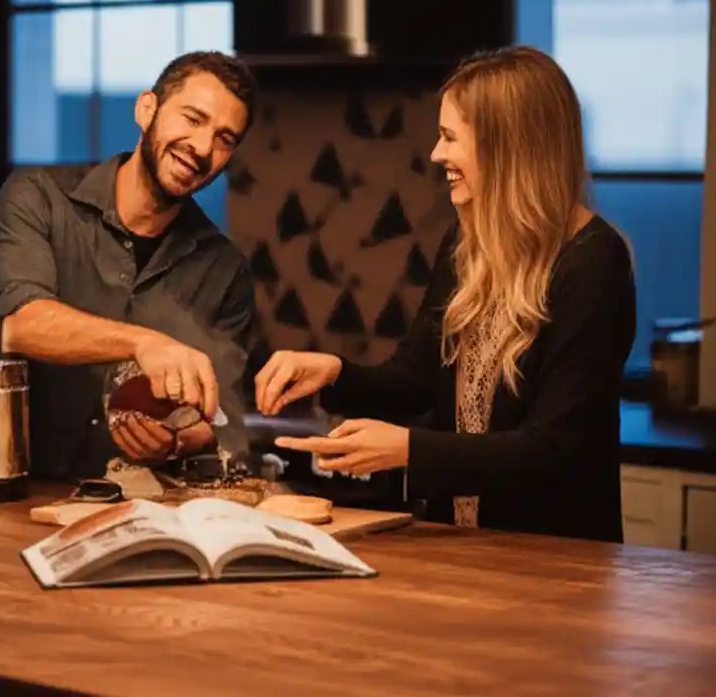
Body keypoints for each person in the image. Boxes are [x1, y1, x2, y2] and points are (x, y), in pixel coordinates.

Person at [258, 46, 636, 543]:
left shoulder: (593, 261)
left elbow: (555, 449)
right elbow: (415, 379)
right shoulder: (466, 242)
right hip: (465, 543)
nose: (437, 155)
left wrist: (411, 450)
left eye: (450, 138)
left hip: (557, 557)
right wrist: (332, 374)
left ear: (506, 148)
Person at [0, 51, 258, 482]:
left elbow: (222, 424)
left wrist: (176, 441)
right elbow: (20, 325)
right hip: (21, 494)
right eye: (192, 118)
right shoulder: (38, 196)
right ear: (146, 109)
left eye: (225, 139)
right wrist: (144, 344)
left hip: (145, 513)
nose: (203, 147)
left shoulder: (225, 270)